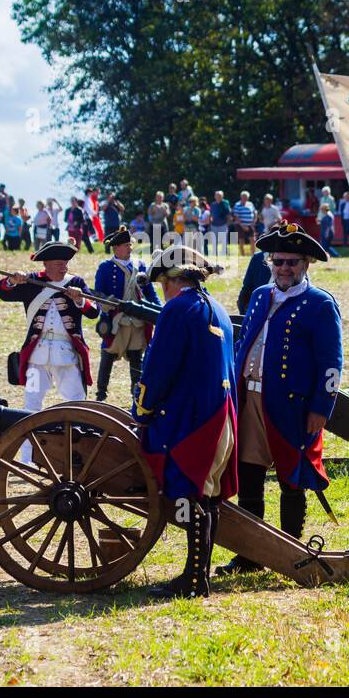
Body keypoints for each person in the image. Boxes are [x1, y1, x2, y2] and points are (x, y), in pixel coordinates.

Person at [216, 222, 343, 576]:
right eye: (279, 261)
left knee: (292, 475)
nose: (285, 268)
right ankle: (251, 554)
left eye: (292, 262)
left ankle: (291, 551)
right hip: (250, 398)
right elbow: (245, 344)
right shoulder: (260, 295)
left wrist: (321, 408)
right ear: (270, 262)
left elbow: (331, 363)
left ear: (306, 265)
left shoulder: (319, 303)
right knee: (249, 473)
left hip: (293, 406)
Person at [132, 244, 236, 598]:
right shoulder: (218, 309)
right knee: (206, 496)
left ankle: (193, 581)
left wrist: (142, 410)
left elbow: (158, 369)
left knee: (191, 493)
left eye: (162, 284)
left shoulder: (176, 309)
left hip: (191, 420)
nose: (163, 291)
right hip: (222, 416)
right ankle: (197, 576)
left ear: (172, 281)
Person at [0, 239, 99, 464]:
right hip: (37, 359)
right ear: (47, 265)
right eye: (60, 263)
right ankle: (26, 460)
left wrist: (79, 299)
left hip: (67, 357)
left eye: (66, 263)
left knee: (77, 405)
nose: (64, 267)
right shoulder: (32, 282)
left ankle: (79, 459)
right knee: (30, 408)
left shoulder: (76, 283)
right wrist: (12, 280)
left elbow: (94, 311)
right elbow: (0, 291)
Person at [92, 227, 160, 401]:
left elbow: (149, 291)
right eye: (125, 245)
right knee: (108, 355)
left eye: (130, 244)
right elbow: (98, 294)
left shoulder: (140, 266)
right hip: (117, 320)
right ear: (116, 248)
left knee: (137, 357)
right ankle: (101, 394)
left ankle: (136, 396)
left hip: (137, 319)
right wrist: (109, 304)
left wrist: (160, 310)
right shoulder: (106, 268)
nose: (130, 248)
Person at [210, 191, 232, 256]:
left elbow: (229, 214)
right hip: (214, 225)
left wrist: (227, 223)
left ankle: (224, 253)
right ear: (215, 196)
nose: (218, 197)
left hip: (223, 225)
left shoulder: (225, 203)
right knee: (214, 240)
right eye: (217, 196)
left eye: (219, 196)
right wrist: (210, 220)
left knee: (224, 240)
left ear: (222, 196)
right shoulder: (213, 204)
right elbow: (211, 214)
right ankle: (215, 253)